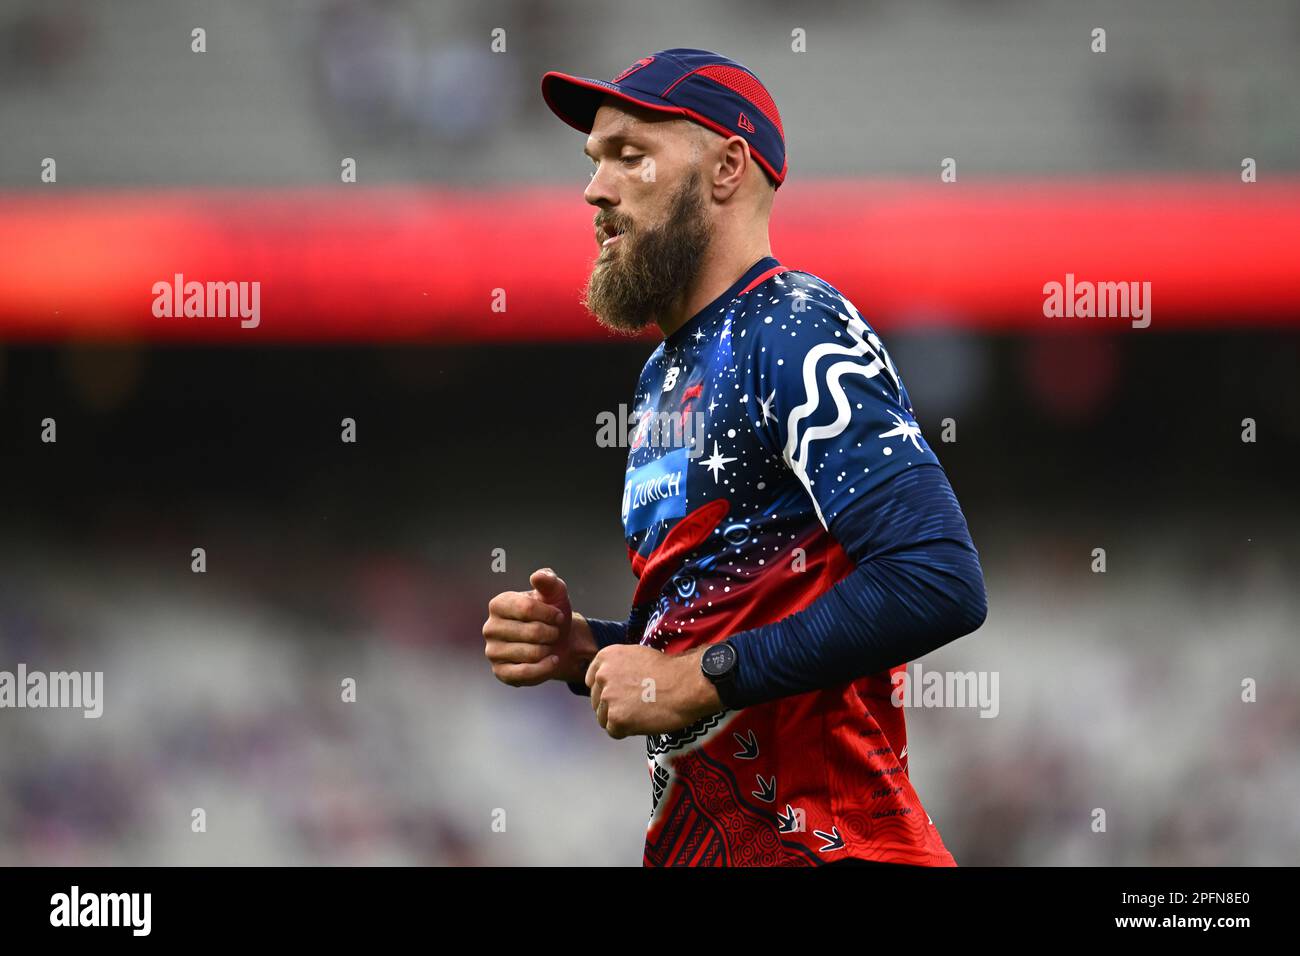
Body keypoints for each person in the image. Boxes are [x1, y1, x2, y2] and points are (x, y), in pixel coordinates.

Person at [483, 48, 987, 866]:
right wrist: (589, 650)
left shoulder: (795, 325)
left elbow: (938, 578)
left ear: (726, 168)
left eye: (629, 155)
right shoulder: (663, 376)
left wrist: (702, 676)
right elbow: (722, 615)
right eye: (593, 161)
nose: (594, 190)